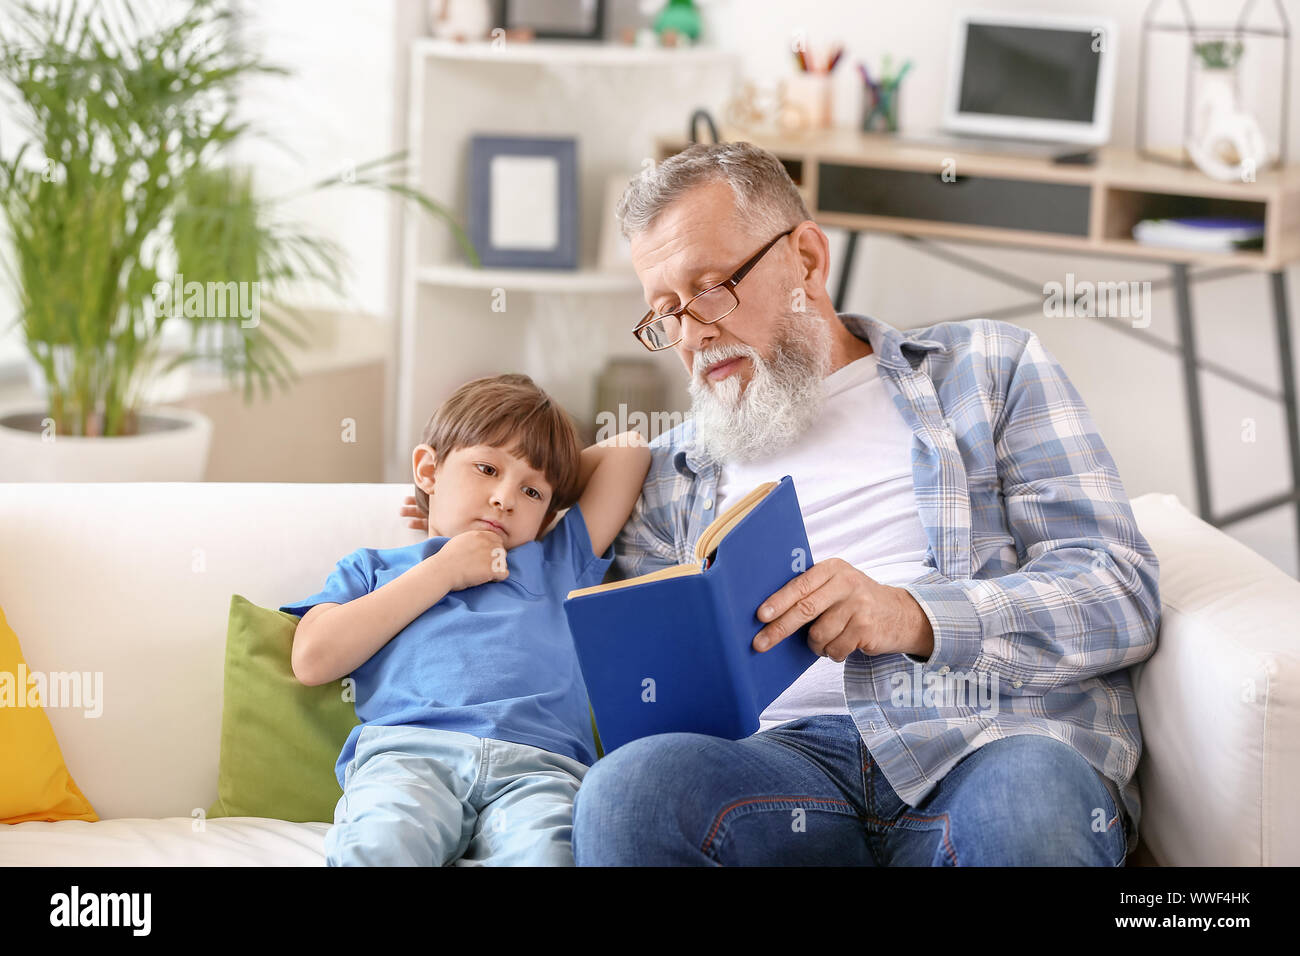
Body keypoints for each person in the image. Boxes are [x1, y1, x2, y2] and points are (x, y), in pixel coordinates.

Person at [563, 141, 1161, 866]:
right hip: (777, 774)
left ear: (807, 261)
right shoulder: (669, 470)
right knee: (628, 792)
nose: (693, 335)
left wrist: (911, 616)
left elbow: (1118, 592)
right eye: (667, 314)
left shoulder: (990, 371)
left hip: (983, 745)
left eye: (712, 288)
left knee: (1029, 801)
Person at [286, 373, 650, 866]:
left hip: (540, 771)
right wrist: (444, 569)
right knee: (383, 846)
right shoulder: (375, 568)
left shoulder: (556, 559)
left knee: (546, 855)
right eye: (485, 468)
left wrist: (551, 478)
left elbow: (629, 452)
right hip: (411, 757)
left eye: (530, 492)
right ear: (427, 469)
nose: (505, 497)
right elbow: (312, 659)